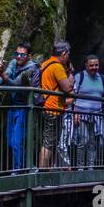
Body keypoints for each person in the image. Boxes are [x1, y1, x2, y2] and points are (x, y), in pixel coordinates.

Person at [0, 42, 38, 171]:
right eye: (17, 54)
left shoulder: (31, 69)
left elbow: (15, 85)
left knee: (17, 142)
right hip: (13, 106)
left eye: (22, 54)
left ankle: (18, 171)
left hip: (25, 108)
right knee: (11, 142)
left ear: (29, 56)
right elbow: (8, 71)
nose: (18, 57)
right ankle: (27, 166)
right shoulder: (14, 62)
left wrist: (1, 75)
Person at [72, 55, 104, 166]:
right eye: (91, 65)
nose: (94, 67)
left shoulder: (101, 78)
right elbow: (72, 95)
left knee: (93, 142)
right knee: (83, 141)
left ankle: (91, 167)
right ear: (86, 65)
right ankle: (80, 167)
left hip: (97, 115)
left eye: (96, 65)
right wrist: (74, 112)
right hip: (82, 114)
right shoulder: (79, 76)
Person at [37, 40, 74, 168]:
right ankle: (42, 174)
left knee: (49, 141)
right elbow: (67, 88)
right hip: (53, 108)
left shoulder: (46, 63)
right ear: (64, 53)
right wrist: (70, 72)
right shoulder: (57, 66)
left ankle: (46, 171)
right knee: (48, 143)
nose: (68, 57)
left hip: (45, 106)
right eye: (68, 55)